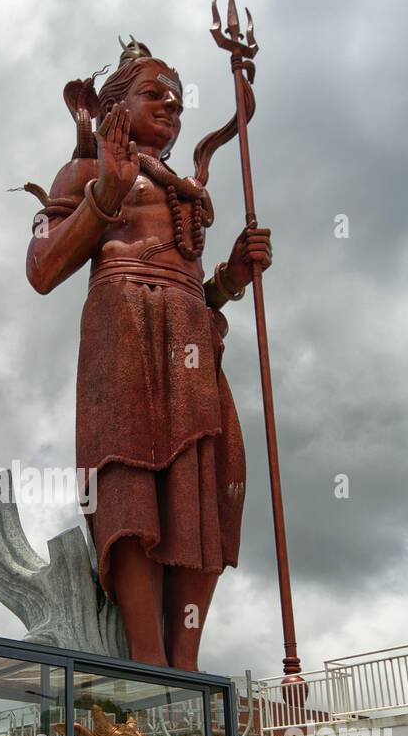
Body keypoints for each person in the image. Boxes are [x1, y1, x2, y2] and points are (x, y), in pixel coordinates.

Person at [26, 38, 272, 669]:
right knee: (129, 476)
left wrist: (231, 278)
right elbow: (42, 268)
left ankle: (186, 662)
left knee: (205, 480)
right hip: (123, 320)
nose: (171, 106)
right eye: (154, 94)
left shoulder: (185, 189)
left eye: (179, 101)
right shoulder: (83, 172)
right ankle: (147, 658)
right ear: (116, 105)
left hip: (190, 328)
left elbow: (198, 283)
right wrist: (104, 191)